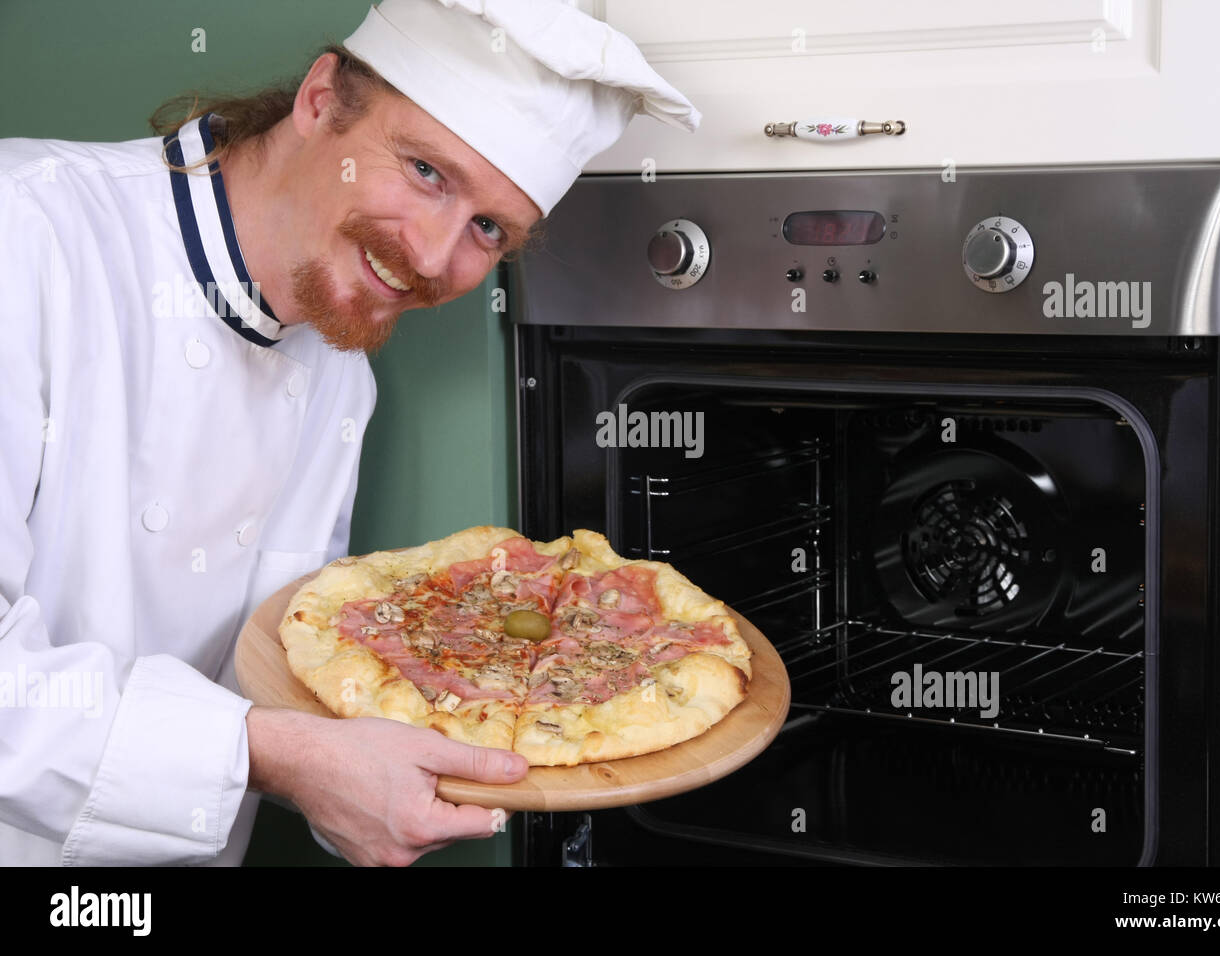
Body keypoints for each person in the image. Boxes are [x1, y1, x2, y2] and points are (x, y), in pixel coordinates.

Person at [0, 0, 700, 866]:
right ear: (322, 98)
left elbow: (288, 671)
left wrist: (385, 771)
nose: (436, 257)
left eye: (490, 229)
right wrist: (284, 759)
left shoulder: (338, 372)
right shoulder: (24, 232)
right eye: (426, 172)